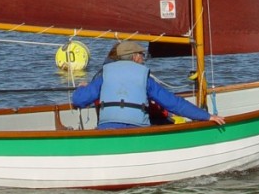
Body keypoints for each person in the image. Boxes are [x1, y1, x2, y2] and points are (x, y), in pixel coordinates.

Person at [71, 40, 226, 129]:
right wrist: (206, 116)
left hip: (107, 130)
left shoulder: (104, 75)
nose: (143, 59)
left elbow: (78, 101)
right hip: (137, 131)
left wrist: (81, 88)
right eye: (142, 55)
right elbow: (173, 103)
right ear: (134, 57)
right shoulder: (144, 77)